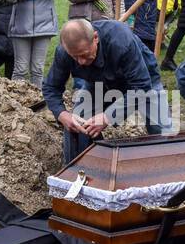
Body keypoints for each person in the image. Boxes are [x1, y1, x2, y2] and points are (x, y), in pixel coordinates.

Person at [43, 18, 164, 163]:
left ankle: (166, 171)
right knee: (79, 120)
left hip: (144, 81)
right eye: (74, 57)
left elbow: (142, 88)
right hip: (99, 81)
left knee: (161, 131)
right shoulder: (64, 52)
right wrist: (61, 114)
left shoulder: (121, 42)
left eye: (84, 54)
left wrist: (108, 117)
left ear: (95, 38)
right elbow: (51, 87)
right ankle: (79, 172)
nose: (80, 61)